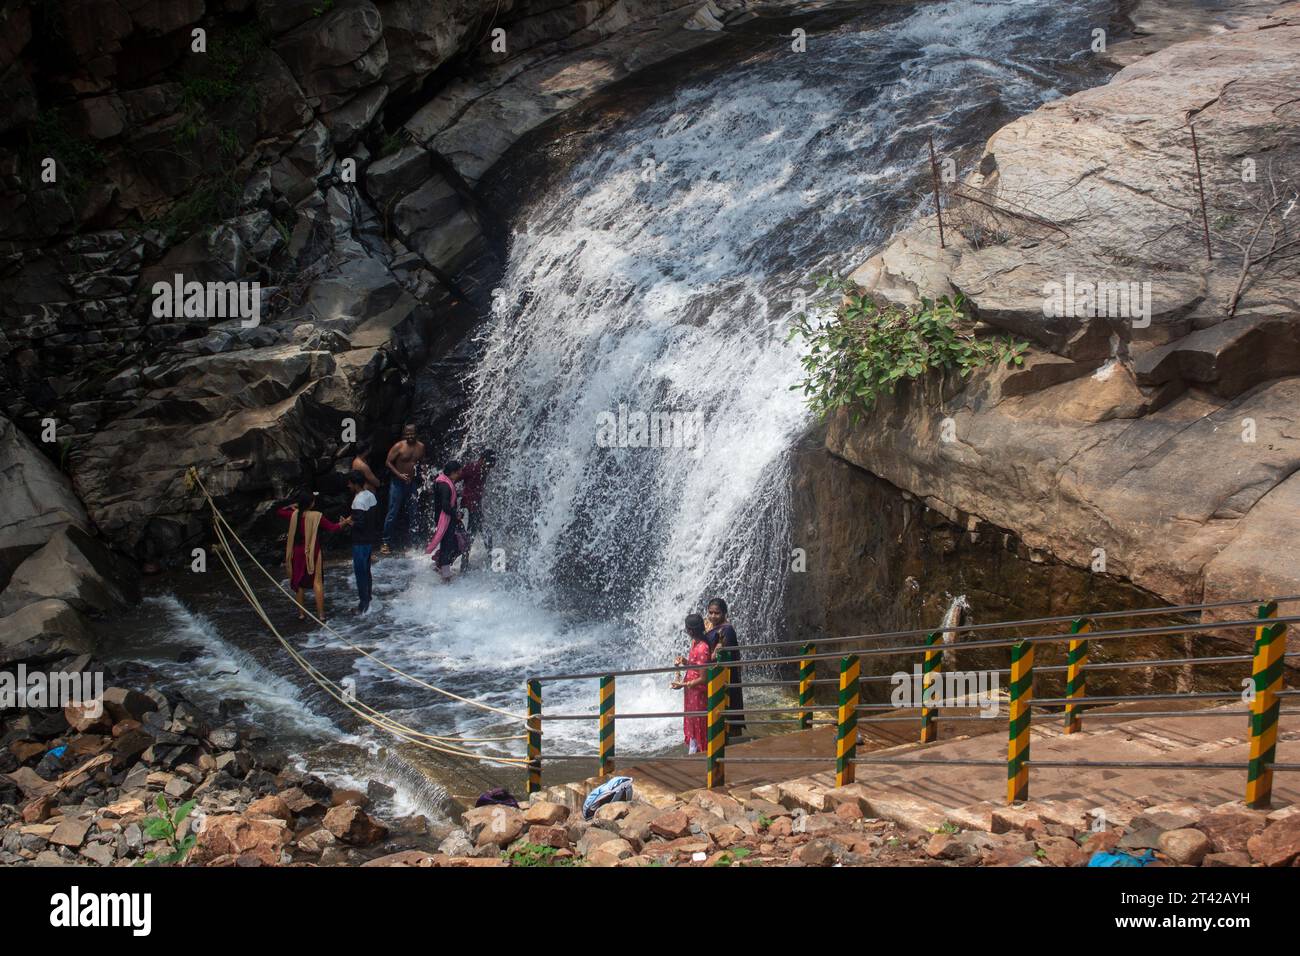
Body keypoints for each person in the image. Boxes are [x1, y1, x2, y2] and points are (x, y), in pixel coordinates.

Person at [276, 491, 344, 623]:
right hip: (313, 551)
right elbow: (333, 528)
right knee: (317, 582)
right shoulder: (317, 516)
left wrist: (292, 506)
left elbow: (279, 511)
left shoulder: (294, 515)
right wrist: (346, 522)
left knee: (299, 582)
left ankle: (301, 614)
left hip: (297, 551)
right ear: (311, 503)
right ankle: (321, 615)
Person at [381, 424, 425, 555]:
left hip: (412, 483)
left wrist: (424, 476)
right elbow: (388, 462)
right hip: (397, 483)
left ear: (416, 433)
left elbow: (422, 463)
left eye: (412, 434)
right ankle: (385, 542)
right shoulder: (399, 446)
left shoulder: (421, 447)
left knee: (414, 512)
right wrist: (399, 474)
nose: (410, 436)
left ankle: (413, 543)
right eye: (407, 434)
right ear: (404, 434)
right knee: (392, 512)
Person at [671, 613, 711, 754]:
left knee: (698, 720)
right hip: (691, 690)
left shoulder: (703, 648)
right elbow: (695, 665)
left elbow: (704, 678)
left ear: (691, 630)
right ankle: (694, 749)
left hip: (697, 690)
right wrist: (685, 662)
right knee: (692, 720)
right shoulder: (695, 643)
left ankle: (700, 750)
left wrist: (683, 685)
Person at [704, 597, 745, 735]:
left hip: (726, 675)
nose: (713, 616)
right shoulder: (714, 627)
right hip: (717, 674)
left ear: (724, 613)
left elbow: (717, 654)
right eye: (710, 613)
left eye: (717, 613)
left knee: (729, 703)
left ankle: (730, 737)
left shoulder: (727, 630)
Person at [424, 459, 465, 582]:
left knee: (452, 543)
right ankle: (445, 574)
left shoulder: (442, 481)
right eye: (458, 473)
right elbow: (446, 505)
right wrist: (456, 514)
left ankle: (440, 564)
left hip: (445, 518)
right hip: (446, 519)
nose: (459, 475)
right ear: (452, 472)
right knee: (450, 544)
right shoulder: (445, 485)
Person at [347, 470, 379, 614]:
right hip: (369, 540)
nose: (348, 485)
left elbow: (359, 524)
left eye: (350, 483)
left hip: (359, 542)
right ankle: (368, 598)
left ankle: (363, 606)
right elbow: (371, 518)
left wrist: (348, 522)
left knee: (360, 573)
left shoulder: (357, 501)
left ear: (355, 484)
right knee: (367, 571)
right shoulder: (370, 495)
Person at [458, 448, 496, 570]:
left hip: (476, 506)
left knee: (477, 535)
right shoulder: (471, 468)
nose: (489, 468)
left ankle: (466, 565)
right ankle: (464, 566)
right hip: (469, 507)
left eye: (491, 466)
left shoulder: (484, 469)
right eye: (488, 465)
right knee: (472, 535)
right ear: (482, 460)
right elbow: (456, 478)